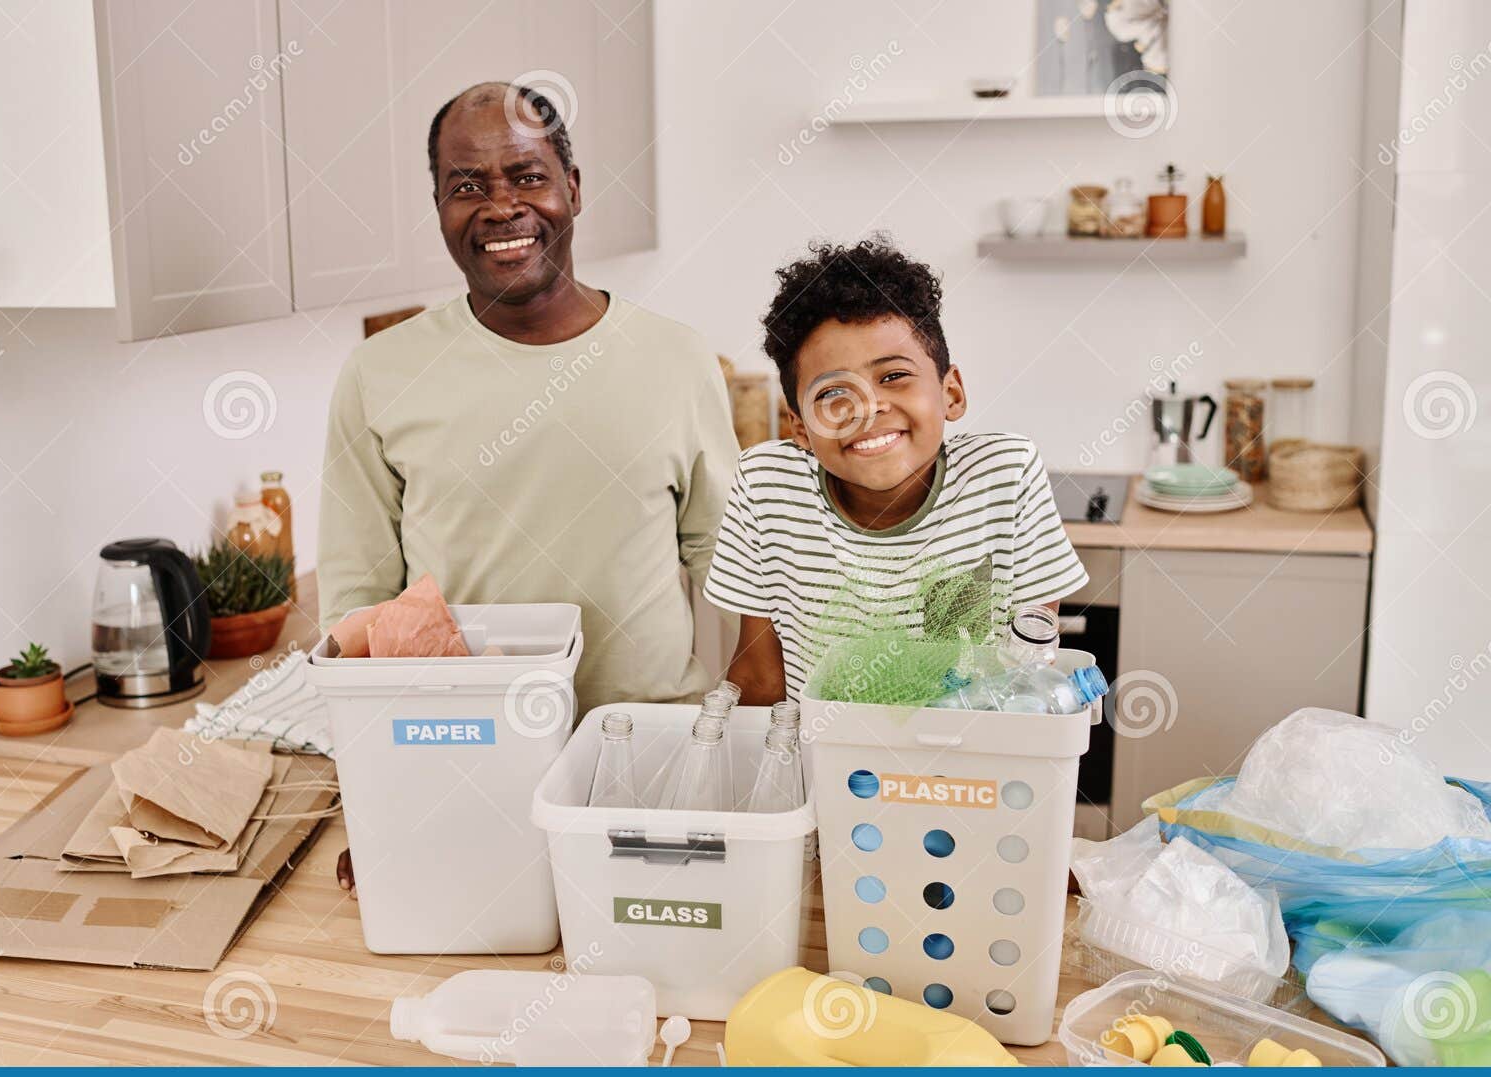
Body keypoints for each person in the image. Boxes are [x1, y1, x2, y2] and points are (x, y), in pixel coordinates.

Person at [319, 82, 738, 892]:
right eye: (466, 186)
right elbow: (357, 607)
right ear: (438, 205)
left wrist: (741, 758)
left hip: (645, 762)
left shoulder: (678, 360)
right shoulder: (381, 373)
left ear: (573, 188)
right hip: (462, 764)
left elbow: (738, 574)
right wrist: (377, 801)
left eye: (526, 175)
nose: (500, 206)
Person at [705, 237, 1088, 703]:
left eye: (893, 376)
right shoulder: (767, 485)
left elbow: (1031, 673)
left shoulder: (1004, 476)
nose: (867, 408)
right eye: (832, 393)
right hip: (819, 763)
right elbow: (759, 679)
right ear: (800, 427)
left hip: (969, 764)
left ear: (952, 393)